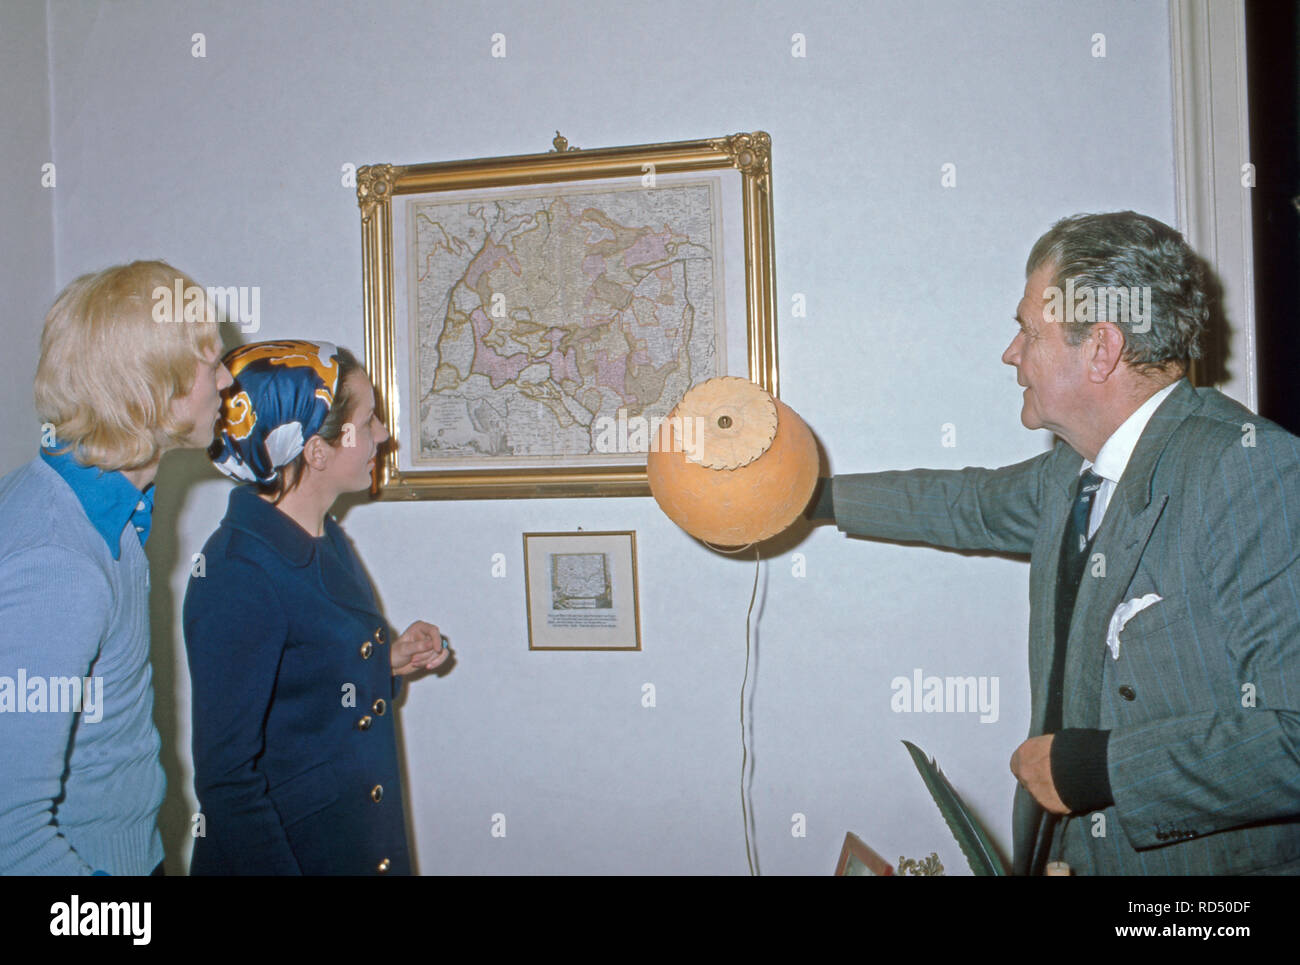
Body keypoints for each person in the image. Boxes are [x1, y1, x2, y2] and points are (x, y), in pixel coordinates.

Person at [810, 211, 1300, 874]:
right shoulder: (1073, 471)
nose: (1011, 353)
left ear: (1099, 347)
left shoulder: (1247, 470)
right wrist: (806, 498)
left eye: (1027, 330)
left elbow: (1292, 737)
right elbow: (961, 503)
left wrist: (1101, 768)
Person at [0, 260, 232, 874]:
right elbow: (9, 835)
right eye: (212, 362)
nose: (228, 377)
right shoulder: (59, 561)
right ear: (153, 391)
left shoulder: (101, 507)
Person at [183, 339, 449, 875]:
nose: (382, 436)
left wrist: (382, 662)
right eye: (369, 421)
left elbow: (305, 694)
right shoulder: (236, 573)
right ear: (316, 451)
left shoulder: (319, 535)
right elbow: (228, 783)